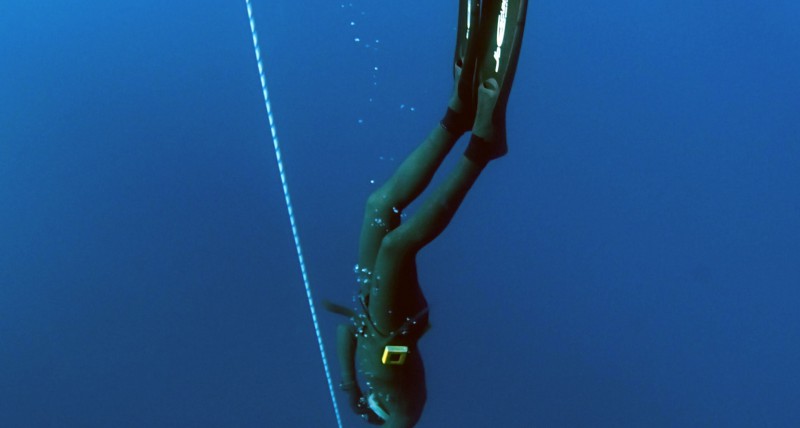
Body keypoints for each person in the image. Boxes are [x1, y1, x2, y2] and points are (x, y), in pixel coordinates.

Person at [325, 0, 528, 425]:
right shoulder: (403, 419)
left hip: (371, 316)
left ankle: (456, 118)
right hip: (395, 327)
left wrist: (351, 391)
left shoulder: (370, 411)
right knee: (397, 247)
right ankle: (481, 149)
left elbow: (344, 333)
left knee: (379, 206)